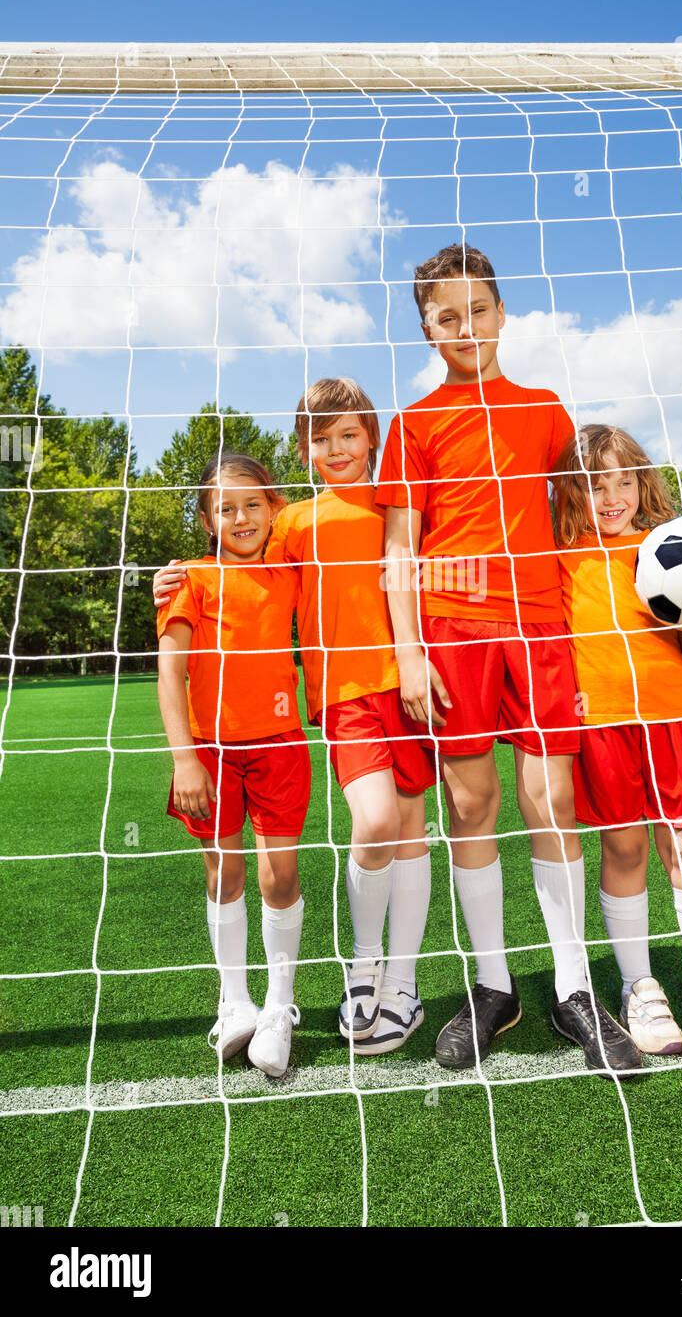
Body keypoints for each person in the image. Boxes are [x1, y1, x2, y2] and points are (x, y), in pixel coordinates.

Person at [377, 243, 640, 1074]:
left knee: (551, 798)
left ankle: (572, 989)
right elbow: (399, 551)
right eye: (446, 317)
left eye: (478, 311)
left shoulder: (545, 410)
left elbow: (580, 519)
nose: (466, 328)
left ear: (502, 313)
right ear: (426, 329)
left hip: (541, 628)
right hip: (452, 632)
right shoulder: (414, 422)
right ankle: (494, 987)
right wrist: (410, 652)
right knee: (471, 801)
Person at [153, 381, 436, 1057]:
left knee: (410, 829)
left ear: (372, 433)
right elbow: (234, 545)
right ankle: (350, 969)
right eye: (320, 438)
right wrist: (170, 576)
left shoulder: (406, 500)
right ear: (304, 450)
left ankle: (402, 984)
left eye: (348, 434)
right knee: (372, 822)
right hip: (343, 695)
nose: (336, 449)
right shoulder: (292, 523)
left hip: (417, 685)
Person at [553, 424, 682, 1067]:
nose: (611, 496)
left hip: (670, 722)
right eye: (593, 483)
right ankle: (642, 990)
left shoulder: (676, 549)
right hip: (601, 727)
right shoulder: (564, 557)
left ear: (643, 484)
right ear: (573, 492)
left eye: (623, 481)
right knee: (625, 847)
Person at [157, 454, 310, 1079]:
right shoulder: (189, 578)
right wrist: (184, 759)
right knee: (224, 874)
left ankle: (278, 1004)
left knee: (279, 876)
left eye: (253, 504)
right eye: (226, 508)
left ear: (273, 507)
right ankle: (235, 999)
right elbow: (169, 673)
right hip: (209, 754)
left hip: (278, 745)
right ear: (206, 518)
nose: (241, 517)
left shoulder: (292, 570)